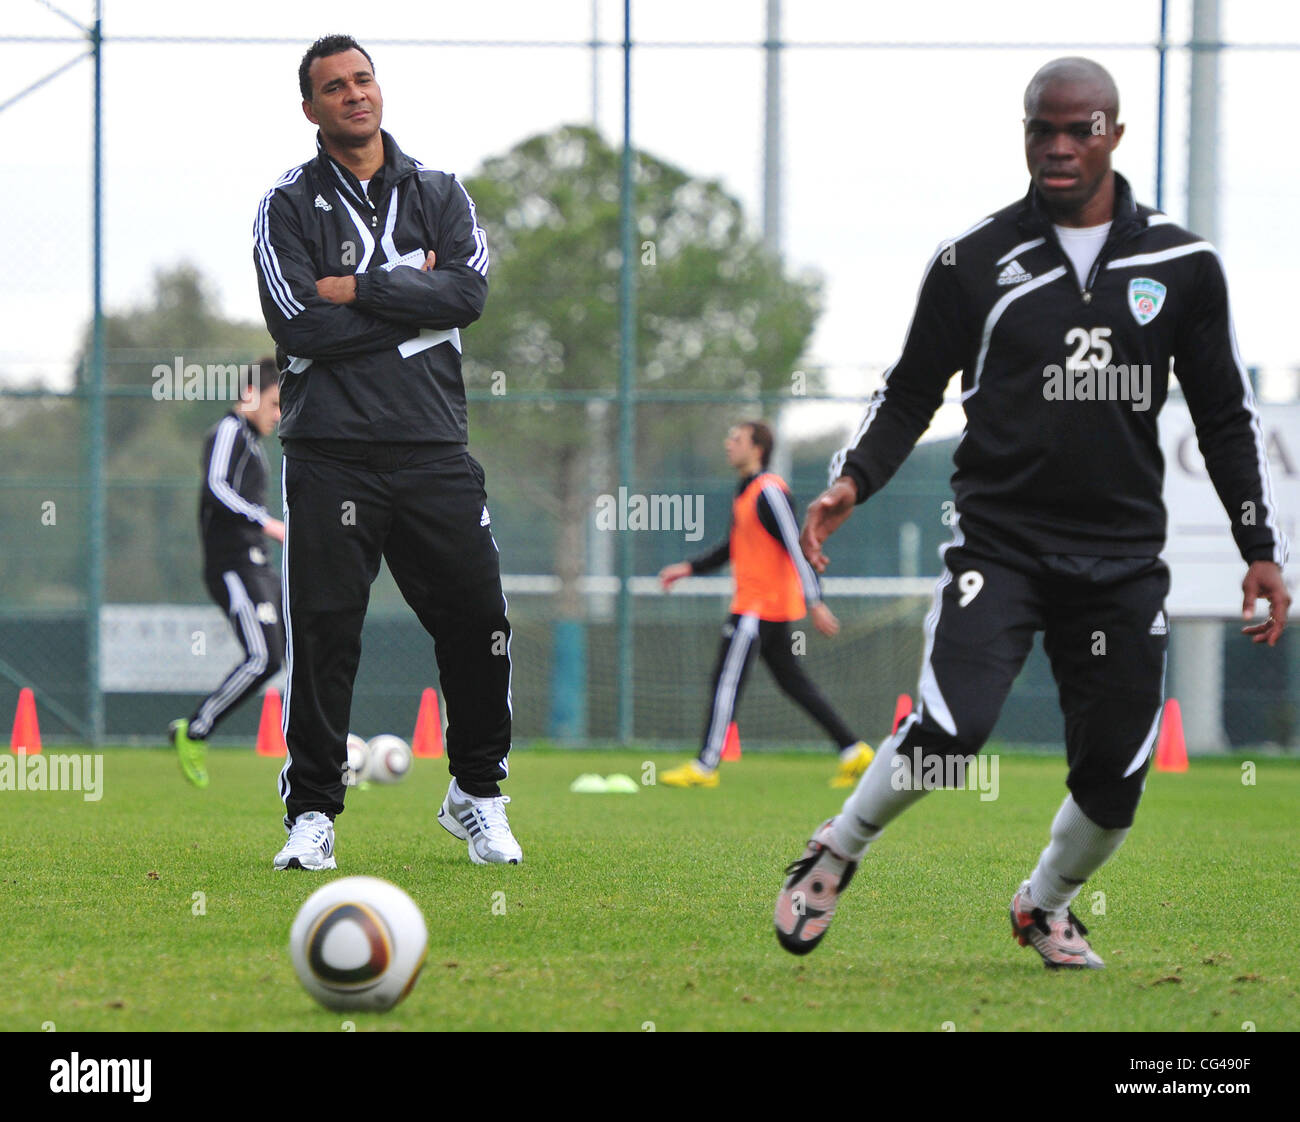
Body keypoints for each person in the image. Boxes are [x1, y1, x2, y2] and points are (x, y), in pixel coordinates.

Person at [774, 58, 1290, 967]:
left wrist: (1260, 546)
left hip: (1124, 560)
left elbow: (1224, 416)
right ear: (1024, 134)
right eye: (1040, 130)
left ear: (1114, 135)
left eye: (1078, 129)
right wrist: (853, 480)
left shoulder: (1183, 264)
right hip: (1000, 546)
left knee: (1115, 779)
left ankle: (1044, 904)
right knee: (951, 731)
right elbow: (907, 394)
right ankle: (837, 848)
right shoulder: (971, 261)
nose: (1058, 148)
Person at [254, 34, 521, 870]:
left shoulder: (441, 192)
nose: (354, 94)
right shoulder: (287, 205)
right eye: (334, 87)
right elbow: (297, 323)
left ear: (380, 90)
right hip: (331, 451)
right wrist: (416, 297)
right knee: (327, 632)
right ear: (311, 109)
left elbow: (468, 293)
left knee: (479, 624)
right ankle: (314, 815)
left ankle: (477, 794)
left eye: (363, 79)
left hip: (435, 447)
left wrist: (363, 288)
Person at [658, 421, 874, 789]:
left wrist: (816, 600)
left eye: (736, 438)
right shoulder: (746, 492)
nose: (728, 444)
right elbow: (733, 547)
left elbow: (797, 545)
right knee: (793, 682)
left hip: (758, 608)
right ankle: (854, 752)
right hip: (767, 608)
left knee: (725, 681)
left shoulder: (769, 491)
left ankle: (705, 765)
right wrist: (689, 568)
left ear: (757, 448)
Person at [170, 358, 286, 788]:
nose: (278, 415)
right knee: (263, 658)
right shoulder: (229, 431)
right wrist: (266, 522)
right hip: (233, 566)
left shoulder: (253, 443)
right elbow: (216, 487)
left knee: (298, 652)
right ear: (251, 395)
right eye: (274, 404)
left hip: (258, 565)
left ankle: (325, 759)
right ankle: (196, 728)